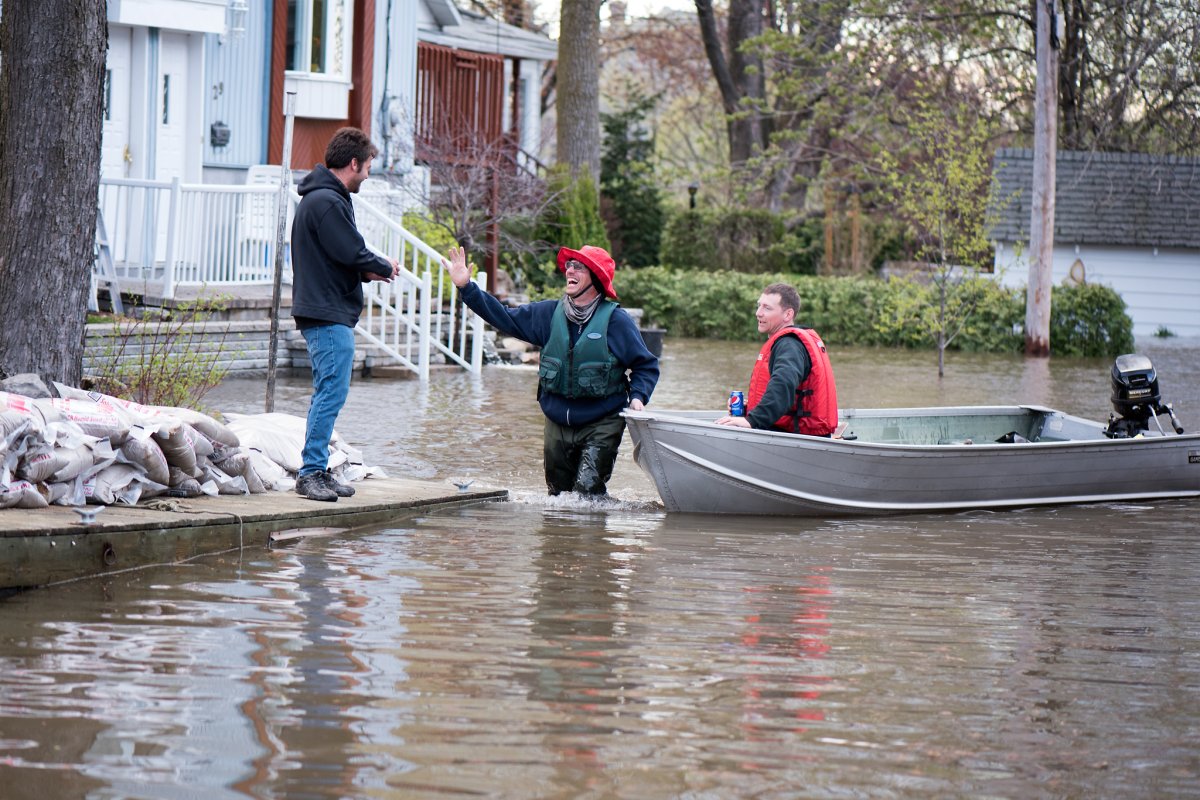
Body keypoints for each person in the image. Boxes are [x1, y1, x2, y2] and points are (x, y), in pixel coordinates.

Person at [441, 244, 659, 497]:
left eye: (579, 267)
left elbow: (646, 365)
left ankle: (593, 533)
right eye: (569, 265)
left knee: (588, 493)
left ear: (596, 278)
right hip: (557, 420)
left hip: (602, 421)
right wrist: (466, 288)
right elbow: (503, 317)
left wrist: (638, 397)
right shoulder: (546, 313)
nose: (570, 270)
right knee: (558, 496)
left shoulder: (616, 321)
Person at [291, 127, 398, 502]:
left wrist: (367, 270)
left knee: (328, 392)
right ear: (353, 163)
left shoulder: (324, 199)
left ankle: (318, 468)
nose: (368, 174)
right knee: (331, 393)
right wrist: (382, 265)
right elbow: (352, 251)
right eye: (368, 166)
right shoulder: (326, 201)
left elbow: (338, 256)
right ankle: (310, 473)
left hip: (326, 308)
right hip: (326, 312)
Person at [716, 282, 839, 436]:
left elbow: (783, 385)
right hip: (788, 430)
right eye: (759, 306)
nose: (758, 313)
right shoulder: (787, 342)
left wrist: (752, 421)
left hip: (799, 437)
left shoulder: (789, 345)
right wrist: (748, 410)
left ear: (788, 315)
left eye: (767, 308)